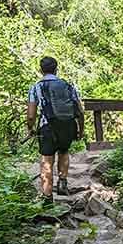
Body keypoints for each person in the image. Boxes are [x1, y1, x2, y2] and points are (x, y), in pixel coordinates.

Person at [27, 56, 84, 205]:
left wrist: (30, 129)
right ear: (56, 68)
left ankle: (47, 198)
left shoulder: (36, 87)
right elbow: (79, 109)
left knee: (47, 160)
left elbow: (31, 114)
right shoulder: (67, 85)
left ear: (41, 70)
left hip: (47, 126)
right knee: (64, 152)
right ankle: (62, 184)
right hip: (68, 125)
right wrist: (80, 130)